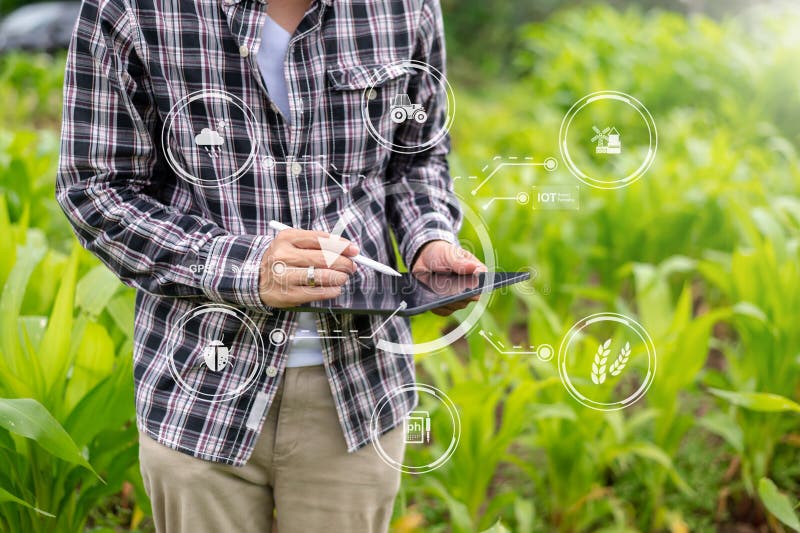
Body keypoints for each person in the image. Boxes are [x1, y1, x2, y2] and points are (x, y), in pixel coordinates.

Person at [56, 0, 485, 531]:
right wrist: (246, 266)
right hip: (200, 385)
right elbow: (95, 189)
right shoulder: (131, 9)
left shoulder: (405, 7)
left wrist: (429, 240)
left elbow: (416, 161)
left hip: (358, 387)